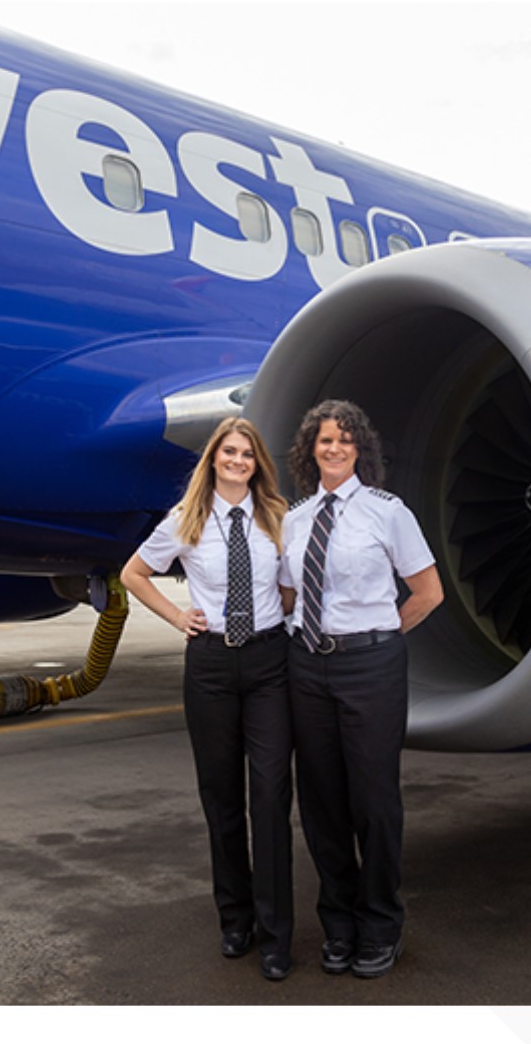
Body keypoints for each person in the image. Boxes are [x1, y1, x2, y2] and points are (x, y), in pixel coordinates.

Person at [120, 416, 297, 981]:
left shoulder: (278, 517)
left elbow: (289, 588)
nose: (238, 461)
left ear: (257, 463)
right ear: (213, 460)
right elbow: (133, 574)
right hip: (212, 665)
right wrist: (178, 617)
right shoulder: (186, 518)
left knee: (269, 797)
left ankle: (276, 933)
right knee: (221, 799)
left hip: (270, 663)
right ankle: (235, 920)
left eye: (247, 453)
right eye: (230, 452)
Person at [278, 399, 443, 979]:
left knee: (373, 803)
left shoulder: (387, 512)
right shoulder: (295, 519)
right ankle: (339, 923)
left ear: (360, 450)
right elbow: (288, 597)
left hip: (370, 666)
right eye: (325, 439)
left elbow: (428, 592)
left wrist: (379, 636)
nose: (335, 448)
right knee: (322, 803)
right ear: (311, 449)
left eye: (345, 440)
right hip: (307, 667)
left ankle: (380, 924)